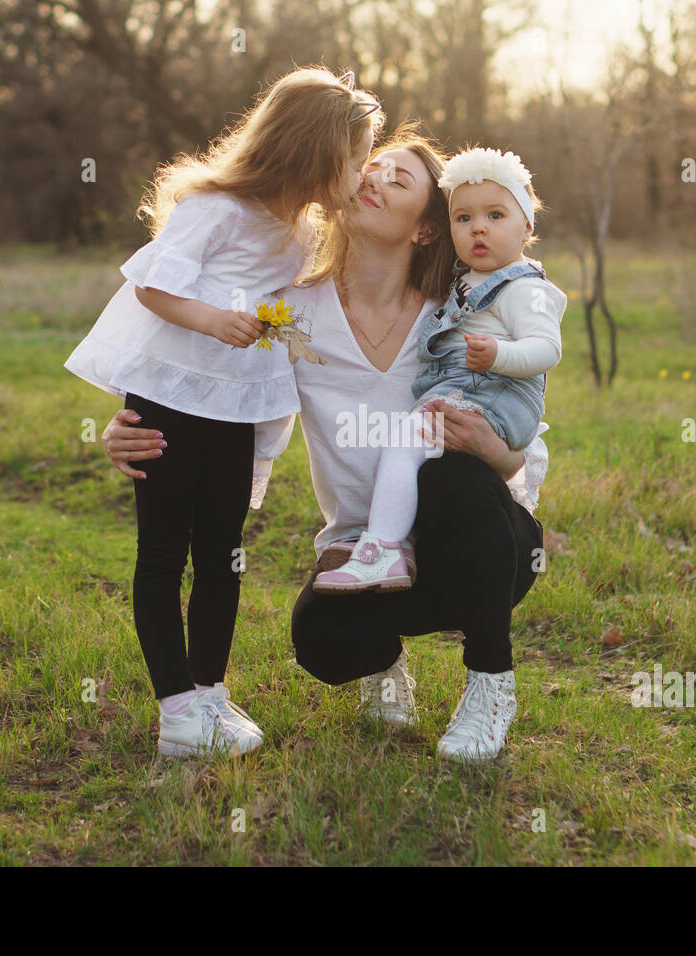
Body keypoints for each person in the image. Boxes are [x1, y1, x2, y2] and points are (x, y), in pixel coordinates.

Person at [102, 124, 551, 763]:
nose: (373, 179)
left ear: (426, 228)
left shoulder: (453, 316)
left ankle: (488, 686)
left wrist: (495, 450)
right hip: (364, 557)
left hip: (480, 545)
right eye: (371, 169)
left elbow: (522, 433)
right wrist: (138, 423)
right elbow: (214, 371)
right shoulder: (291, 313)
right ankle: (384, 662)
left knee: (453, 476)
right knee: (320, 640)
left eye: (399, 181)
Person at [65, 67, 382, 758]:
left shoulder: (302, 228)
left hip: (236, 406)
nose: (362, 169)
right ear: (315, 151)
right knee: (162, 555)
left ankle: (209, 691)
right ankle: (177, 711)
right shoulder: (216, 208)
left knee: (223, 555)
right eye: (356, 155)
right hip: (172, 399)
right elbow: (151, 283)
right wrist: (213, 320)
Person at [313, 146, 565, 594]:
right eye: (464, 219)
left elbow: (547, 350)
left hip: (491, 401)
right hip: (471, 394)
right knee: (418, 452)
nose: (479, 228)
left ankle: (385, 549)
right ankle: (385, 547)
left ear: (528, 225)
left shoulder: (524, 288)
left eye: (495, 215)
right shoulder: (460, 286)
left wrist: (497, 361)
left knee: (412, 445)